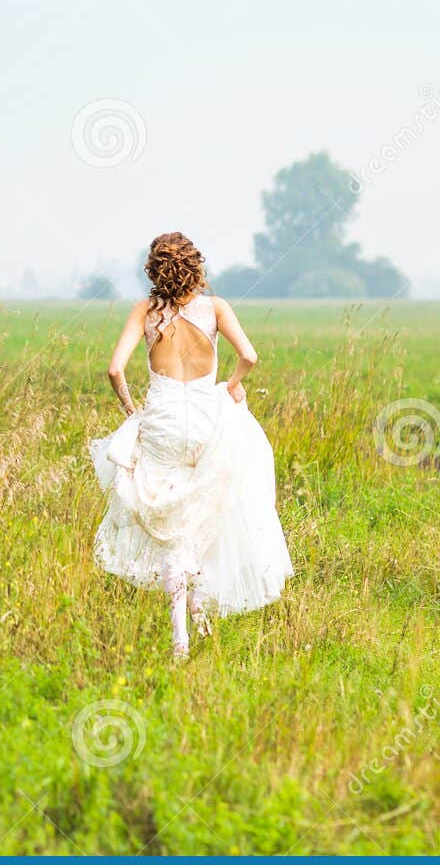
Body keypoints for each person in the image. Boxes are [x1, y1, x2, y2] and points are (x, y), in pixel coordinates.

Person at [89, 232, 293, 658]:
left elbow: (114, 370)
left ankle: (180, 632)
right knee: (204, 509)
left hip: (162, 423)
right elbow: (249, 356)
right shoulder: (215, 308)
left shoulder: (144, 311)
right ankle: (196, 610)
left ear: (155, 270)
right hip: (205, 419)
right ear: (195, 267)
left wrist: (131, 410)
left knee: (170, 520)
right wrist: (231, 385)